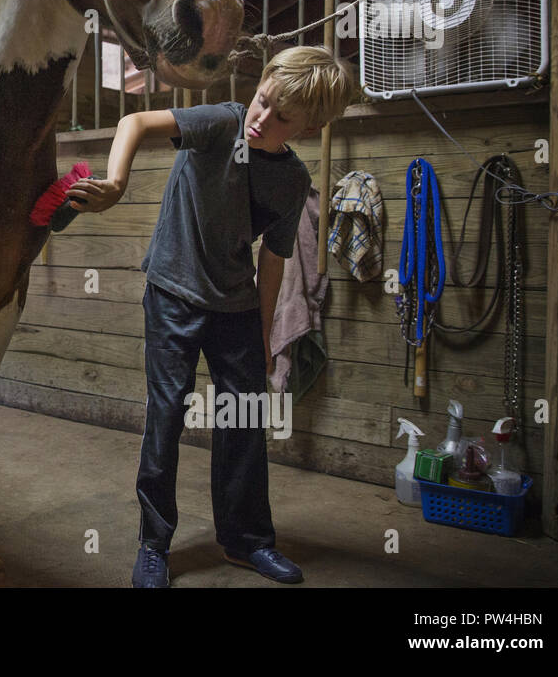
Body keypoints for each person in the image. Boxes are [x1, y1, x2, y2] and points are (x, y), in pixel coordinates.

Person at [66, 45, 355, 588]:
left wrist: (266, 336)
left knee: (243, 417)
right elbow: (133, 120)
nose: (261, 119)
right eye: (263, 101)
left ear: (310, 126)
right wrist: (116, 184)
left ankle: (246, 542)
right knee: (168, 411)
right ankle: (154, 544)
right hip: (173, 291)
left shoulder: (291, 181)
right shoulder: (223, 121)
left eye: (281, 117)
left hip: (236, 305)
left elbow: (274, 259)